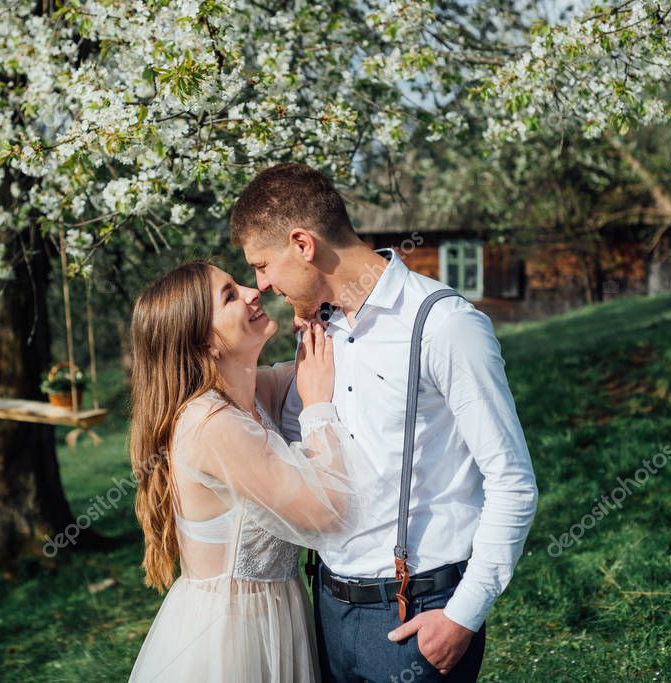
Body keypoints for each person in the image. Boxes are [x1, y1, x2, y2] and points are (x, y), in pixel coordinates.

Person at [230, 163, 540, 681]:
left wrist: (463, 615)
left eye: (263, 264)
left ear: (303, 244)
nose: (261, 285)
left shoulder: (444, 325)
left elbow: (513, 482)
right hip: (326, 608)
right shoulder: (316, 333)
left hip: (416, 615)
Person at [126, 260, 381, 682]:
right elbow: (328, 512)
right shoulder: (210, 424)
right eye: (229, 295)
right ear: (206, 343)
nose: (251, 291)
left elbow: (311, 367)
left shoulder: (246, 390)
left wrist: (318, 311)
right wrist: (317, 409)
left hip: (279, 613)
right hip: (233, 636)